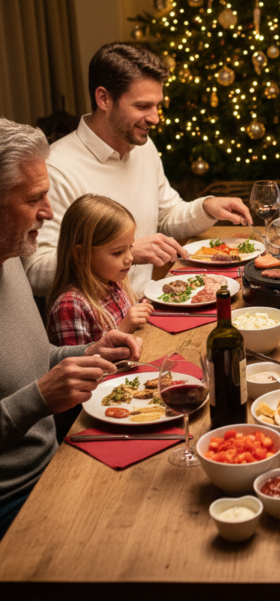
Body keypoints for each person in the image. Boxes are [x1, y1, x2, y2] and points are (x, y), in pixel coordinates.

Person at [0, 118, 142, 539]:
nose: (48, 212)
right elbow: (32, 390)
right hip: (13, 496)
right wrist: (39, 397)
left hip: (55, 461)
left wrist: (89, 351)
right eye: (34, 198)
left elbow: (35, 357)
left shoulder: (10, 259)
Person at [23, 43, 253, 297]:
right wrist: (126, 252)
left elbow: (166, 216)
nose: (155, 118)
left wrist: (206, 207)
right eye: (142, 106)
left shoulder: (142, 146)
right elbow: (36, 272)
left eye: (157, 106)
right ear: (103, 99)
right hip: (96, 318)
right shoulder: (56, 167)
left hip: (148, 302)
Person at [47, 194, 153, 348]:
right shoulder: (70, 306)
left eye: (130, 247)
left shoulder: (113, 282)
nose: (130, 258)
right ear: (81, 254)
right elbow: (82, 361)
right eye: (117, 252)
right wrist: (124, 329)